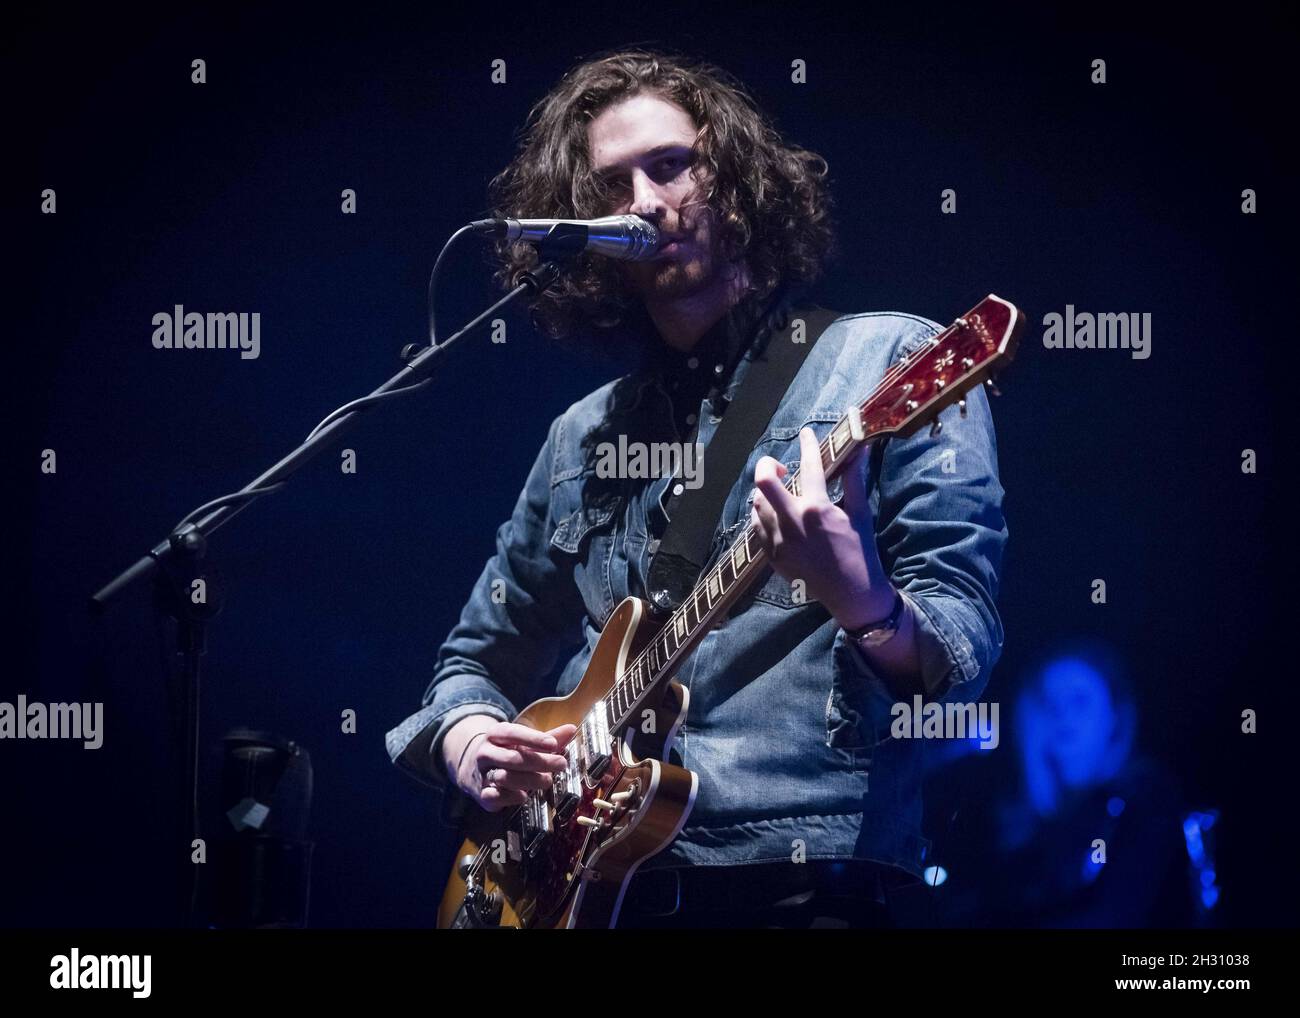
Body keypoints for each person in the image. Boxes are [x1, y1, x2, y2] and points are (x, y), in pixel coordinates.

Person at [385, 47, 1008, 928]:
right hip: (601, 889)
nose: (643, 202)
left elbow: (964, 643)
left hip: (796, 878)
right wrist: (467, 740)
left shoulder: (887, 364)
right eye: (610, 186)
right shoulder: (578, 439)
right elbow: (474, 661)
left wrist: (859, 596)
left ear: (737, 178)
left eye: (670, 165)